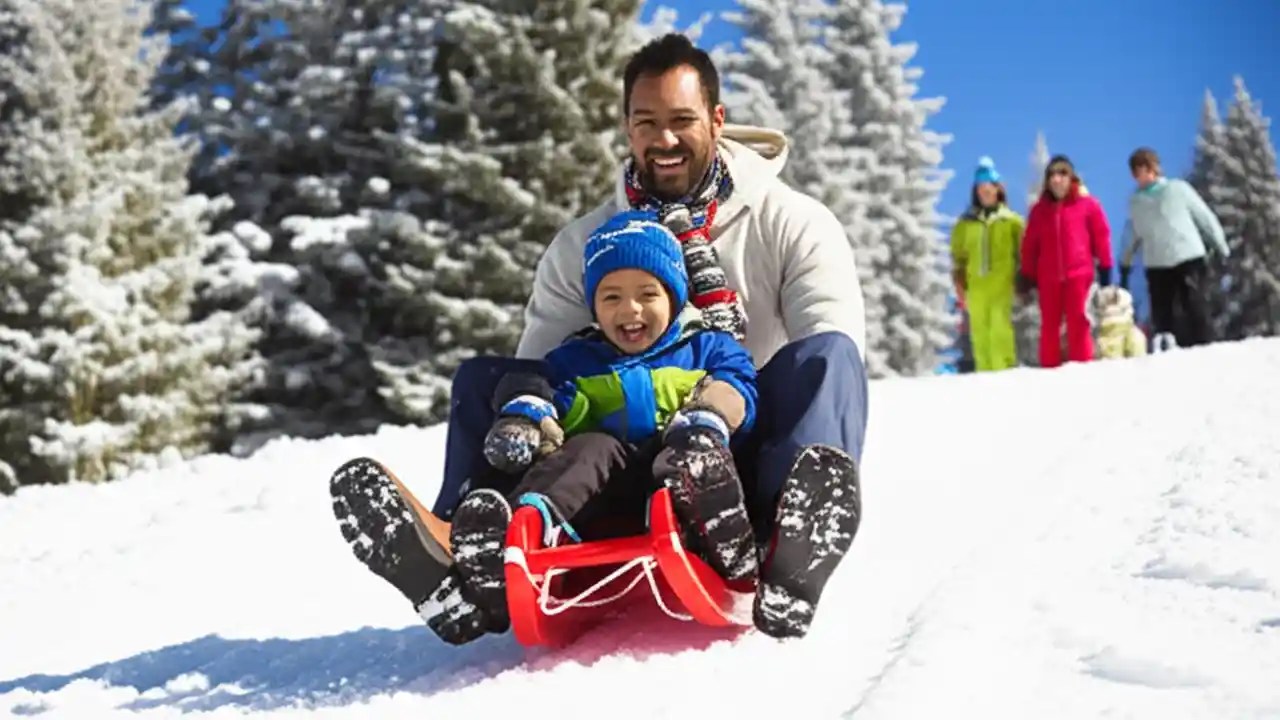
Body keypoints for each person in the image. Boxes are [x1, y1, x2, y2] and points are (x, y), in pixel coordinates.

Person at [330, 32, 869, 642]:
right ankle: (470, 549)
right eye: (646, 122)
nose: (663, 140)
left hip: (729, 455)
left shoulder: (789, 221)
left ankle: (788, 537)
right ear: (626, 127)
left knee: (828, 358)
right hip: (602, 459)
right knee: (489, 380)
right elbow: (538, 368)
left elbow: (830, 341)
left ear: (717, 121)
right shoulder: (585, 246)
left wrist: (720, 409)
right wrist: (531, 418)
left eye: (682, 120)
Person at [435, 210, 759, 642]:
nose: (630, 310)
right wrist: (529, 418)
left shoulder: (703, 347)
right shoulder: (578, 360)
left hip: (675, 479)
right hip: (603, 495)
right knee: (588, 448)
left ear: (675, 297)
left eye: (648, 293)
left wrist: (707, 419)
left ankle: (720, 533)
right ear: (592, 306)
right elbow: (546, 398)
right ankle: (511, 539)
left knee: (689, 455)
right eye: (610, 298)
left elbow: (738, 384)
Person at [1117, 147, 1228, 349]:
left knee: (1194, 305)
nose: (1143, 174)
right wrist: (1124, 262)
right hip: (1157, 264)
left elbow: (1204, 217)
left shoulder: (1177, 189)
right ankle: (1166, 350)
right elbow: (1131, 233)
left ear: (1155, 169)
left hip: (1187, 256)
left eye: (1146, 168)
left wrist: (1220, 245)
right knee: (1162, 314)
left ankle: (1205, 348)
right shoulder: (1136, 202)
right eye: (1137, 171)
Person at [1018, 154, 1114, 367]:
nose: (1056, 179)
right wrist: (1027, 274)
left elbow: (1101, 236)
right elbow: (1030, 245)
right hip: (1048, 277)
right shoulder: (1039, 211)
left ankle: (1082, 368)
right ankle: (1050, 371)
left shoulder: (1088, 205)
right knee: (1049, 326)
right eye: (1052, 175)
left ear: (1072, 178)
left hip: (1079, 274)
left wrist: (1106, 266)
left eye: (1062, 173)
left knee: (1078, 321)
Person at [950, 157, 1025, 371]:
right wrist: (959, 281)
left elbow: (1023, 252)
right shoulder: (965, 224)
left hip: (1002, 286)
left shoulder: (1012, 222)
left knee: (1001, 332)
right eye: (980, 188)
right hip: (977, 289)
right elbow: (958, 256)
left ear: (998, 189)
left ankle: (1005, 375)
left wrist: (1022, 280)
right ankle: (984, 380)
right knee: (980, 334)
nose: (985, 192)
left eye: (989, 187)